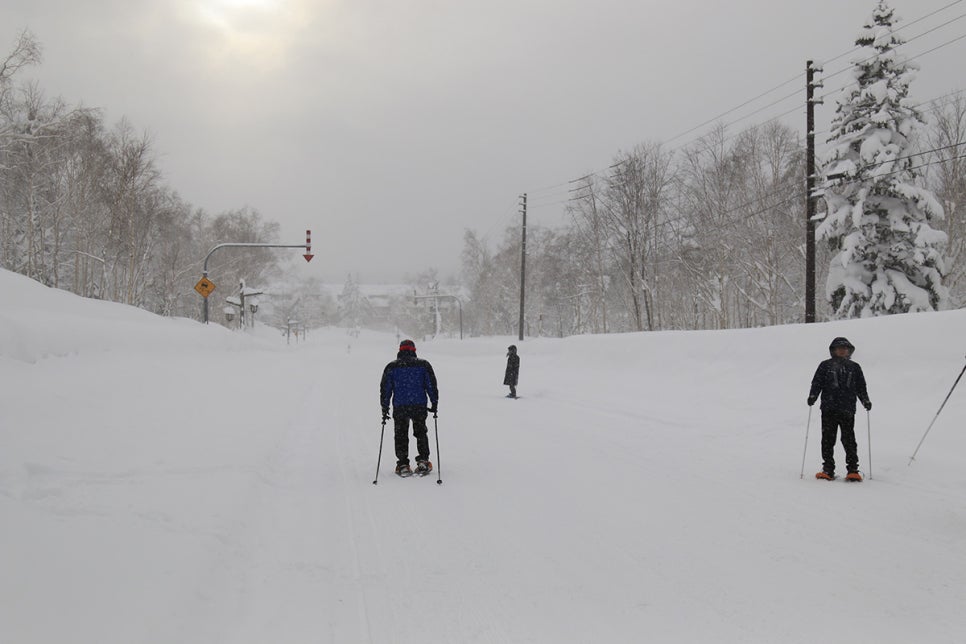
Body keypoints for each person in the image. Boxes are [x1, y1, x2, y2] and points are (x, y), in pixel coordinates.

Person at [807, 337, 872, 482]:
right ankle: (828, 469)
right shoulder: (825, 365)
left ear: (849, 351)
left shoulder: (855, 367)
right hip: (828, 408)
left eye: (845, 348)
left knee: (848, 439)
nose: (842, 350)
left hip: (847, 409)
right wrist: (813, 396)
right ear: (833, 350)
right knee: (828, 439)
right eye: (839, 348)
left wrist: (865, 400)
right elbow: (817, 382)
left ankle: (853, 470)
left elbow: (861, 387)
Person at [380, 339, 439, 476]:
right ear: (414, 351)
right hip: (419, 405)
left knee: (400, 435)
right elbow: (431, 385)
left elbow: (385, 389)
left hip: (400, 406)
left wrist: (385, 407)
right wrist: (434, 402)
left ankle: (403, 464)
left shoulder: (392, 367)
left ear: (400, 351)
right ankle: (423, 461)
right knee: (421, 432)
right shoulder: (423, 365)